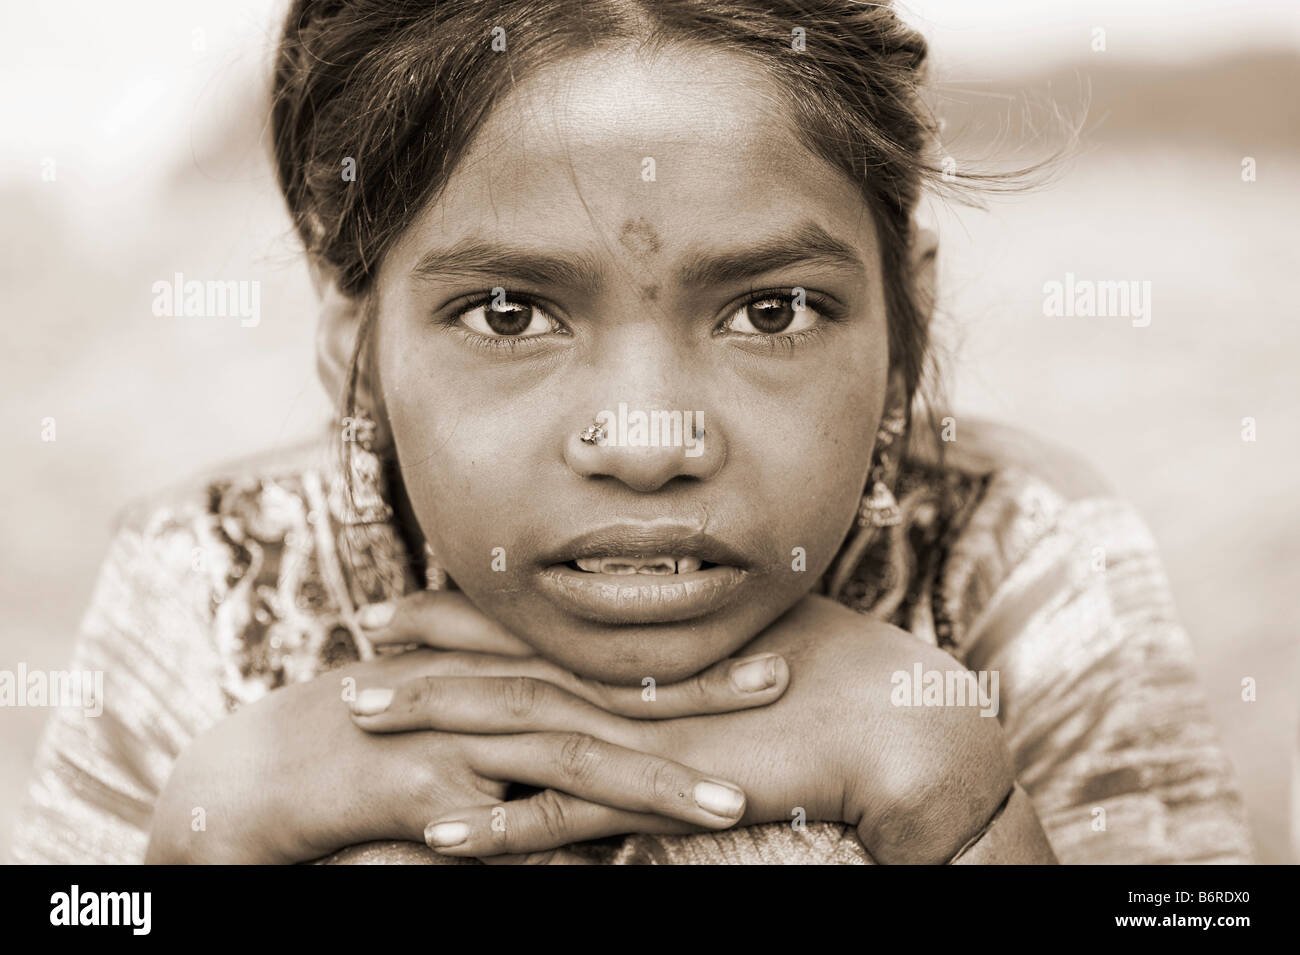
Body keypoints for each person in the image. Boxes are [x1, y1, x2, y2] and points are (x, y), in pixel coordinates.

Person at [12, 0, 1253, 865]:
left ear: (904, 320)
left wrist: (952, 797)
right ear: (357, 349)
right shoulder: (208, 581)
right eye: (509, 312)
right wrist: (200, 836)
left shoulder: (1020, 562)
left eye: (772, 310)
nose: (648, 440)